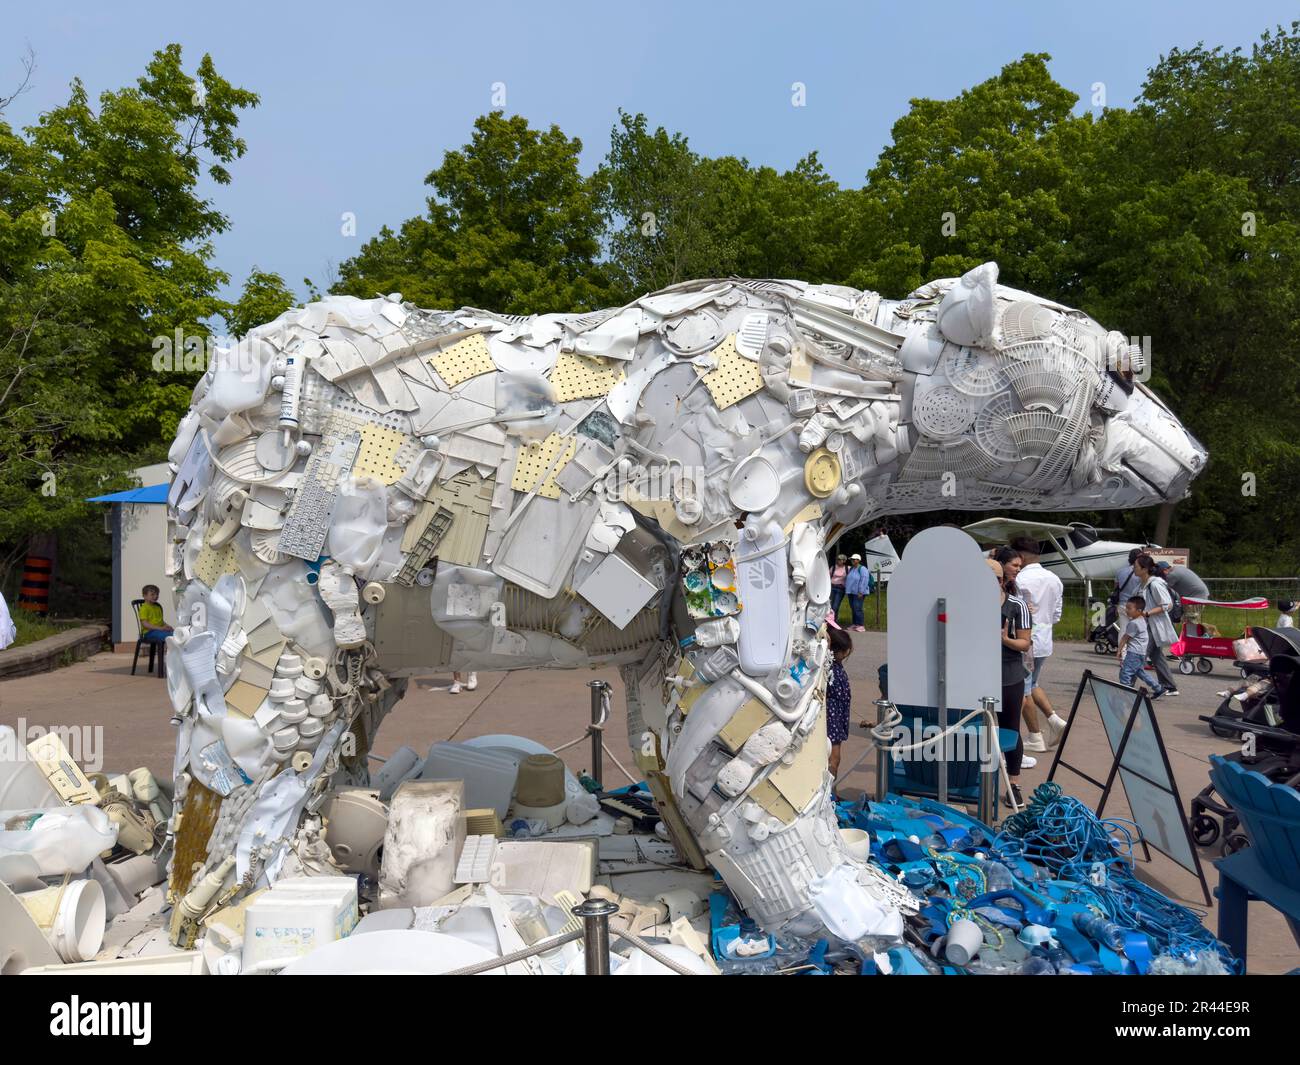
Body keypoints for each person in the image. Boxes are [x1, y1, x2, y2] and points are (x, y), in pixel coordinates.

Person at [1010, 537, 1069, 751]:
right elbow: (1057, 615)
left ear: (1021, 556)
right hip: (1044, 640)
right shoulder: (1054, 579)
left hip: (1023, 640)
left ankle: (1035, 737)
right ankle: (1054, 720)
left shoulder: (1019, 580)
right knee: (1032, 684)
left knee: (1022, 690)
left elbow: (1013, 611)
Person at [996, 558, 1033, 808]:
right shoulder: (968, 603)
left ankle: (1014, 784)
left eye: (995, 577)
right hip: (975, 676)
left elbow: (1024, 643)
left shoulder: (1017, 605)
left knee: (1010, 729)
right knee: (976, 730)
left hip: (1009, 675)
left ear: (1003, 580)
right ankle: (977, 782)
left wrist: (1004, 639)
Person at [1134, 552, 1179, 698]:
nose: (1133, 569)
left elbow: (1167, 604)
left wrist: (1146, 613)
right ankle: (1169, 686)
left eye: (1135, 566)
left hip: (1152, 626)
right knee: (1156, 656)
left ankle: (1126, 685)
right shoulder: (1144, 583)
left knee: (1137, 656)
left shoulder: (1155, 584)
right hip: (1146, 625)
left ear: (1145, 568)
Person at [826, 626, 853, 780]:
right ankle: (830, 795)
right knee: (833, 758)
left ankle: (832, 792)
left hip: (837, 717)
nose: (847, 654)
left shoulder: (836, 666)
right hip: (832, 718)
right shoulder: (830, 668)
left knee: (835, 758)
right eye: (845, 651)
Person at [1116, 595, 1151, 690]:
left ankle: (1126, 690)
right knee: (1140, 673)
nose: (1126, 610)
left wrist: (1119, 650)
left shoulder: (1133, 623)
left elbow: (1125, 638)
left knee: (1125, 672)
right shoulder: (1142, 620)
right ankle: (1158, 688)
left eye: (1129, 608)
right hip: (1141, 652)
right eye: (1126, 608)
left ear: (1139, 611)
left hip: (1133, 652)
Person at [845, 554, 870, 632]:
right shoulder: (852, 569)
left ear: (858, 560)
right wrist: (847, 591)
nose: (852, 560)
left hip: (858, 593)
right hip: (851, 592)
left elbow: (864, 580)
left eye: (854, 559)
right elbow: (850, 580)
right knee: (853, 608)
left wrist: (861, 591)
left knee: (858, 609)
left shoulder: (862, 569)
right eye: (852, 559)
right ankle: (855, 624)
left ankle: (861, 625)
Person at [829, 553, 849, 623]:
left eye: (840, 560)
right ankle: (832, 620)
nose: (838, 561)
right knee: (830, 605)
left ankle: (833, 621)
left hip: (840, 589)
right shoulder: (833, 567)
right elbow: (828, 576)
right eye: (838, 559)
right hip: (832, 588)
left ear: (844, 561)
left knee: (835, 606)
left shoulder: (847, 568)